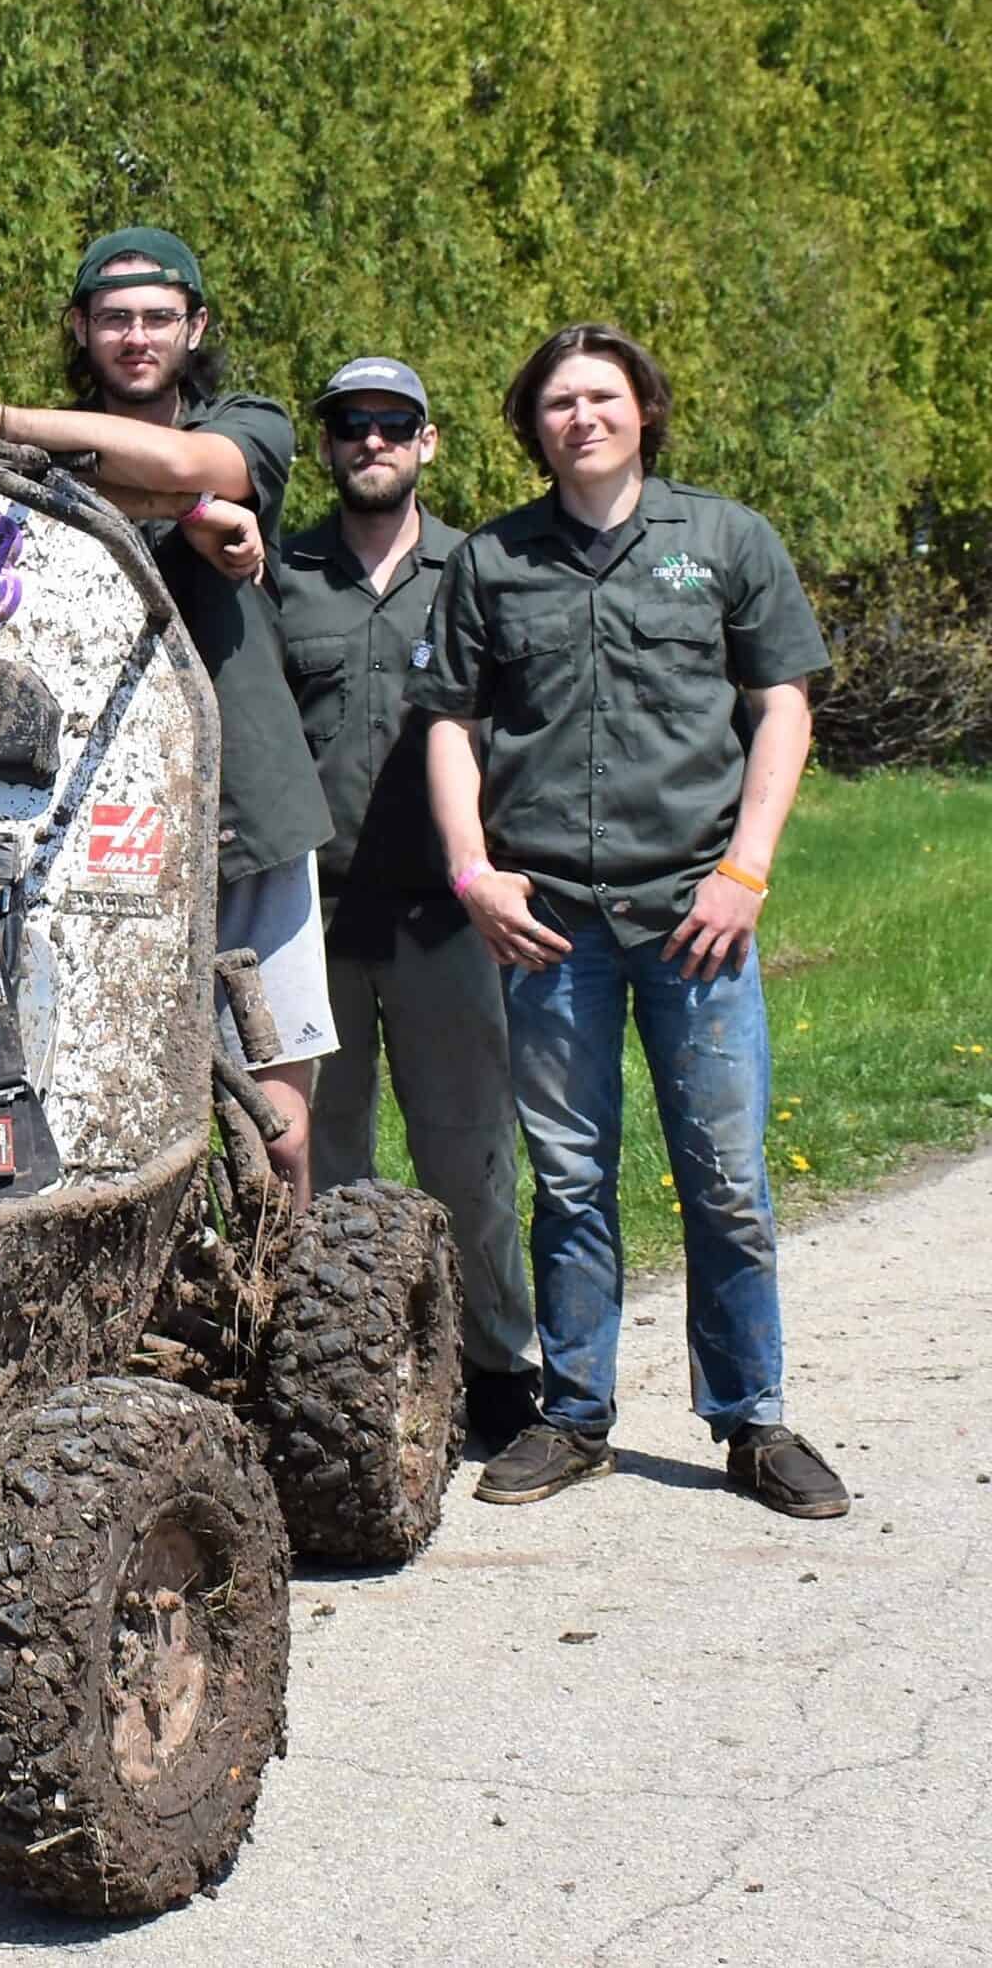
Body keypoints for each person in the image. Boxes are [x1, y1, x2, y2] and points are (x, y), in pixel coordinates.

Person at [414, 322, 847, 1518]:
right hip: (549, 923)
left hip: (695, 916)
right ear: (532, 424)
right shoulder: (493, 561)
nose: (582, 417)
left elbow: (781, 705)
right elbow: (448, 720)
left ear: (644, 410)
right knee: (567, 1177)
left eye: (602, 396)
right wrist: (472, 872)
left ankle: (751, 1421)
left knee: (727, 1177)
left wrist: (744, 871)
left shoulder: (724, 541)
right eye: (558, 401)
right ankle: (575, 1415)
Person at [0, 228, 334, 1211]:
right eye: (114, 317)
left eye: (157, 317)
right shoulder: (34, 459)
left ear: (195, 326)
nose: (136, 336)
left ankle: (286, 1320)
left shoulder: (249, 421)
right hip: (86, 818)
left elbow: (191, 463)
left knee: (275, 1121)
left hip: (241, 809)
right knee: (93, 1097)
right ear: (83, 328)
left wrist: (3, 422)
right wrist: (182, 509)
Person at [272, 356, 542, 1449]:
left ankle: (497, 1365)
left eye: (393, 424)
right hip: (314, 917)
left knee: (466, 1155)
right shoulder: (276, 574)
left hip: (443, 917)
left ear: (427, 442)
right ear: (328, 444)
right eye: (350, 425)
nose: (371, 441)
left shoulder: (477, 571)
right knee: (325, 1167)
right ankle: (349, 1377)